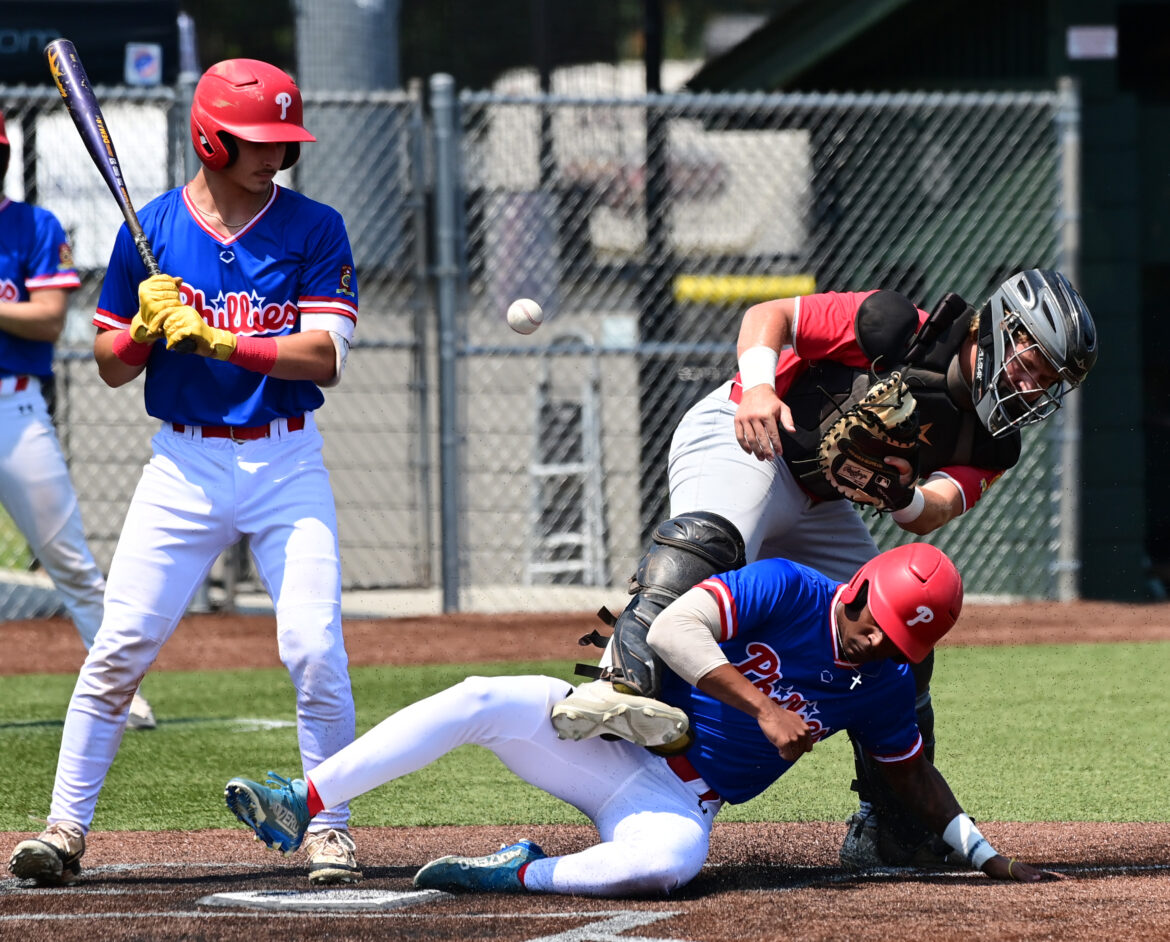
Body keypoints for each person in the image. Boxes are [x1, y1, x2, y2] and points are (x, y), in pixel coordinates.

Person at [550, 270, 1098, 869]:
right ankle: (616, 681)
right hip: (747, 436)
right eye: (1033, 361)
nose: (1033, 384)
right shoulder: (897, 326)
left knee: (899, 633)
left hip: (822, 498)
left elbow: (932, 510)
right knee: (711, 540)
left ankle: (891, 823)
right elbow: (771, 315)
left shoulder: (994, 441)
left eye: (1050, 380)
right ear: (1002, 326)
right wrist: (760, 387)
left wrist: (900, 497)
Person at [221, 543, 1053, 896]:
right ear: (864, 585)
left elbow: (907, 768)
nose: (878, 645)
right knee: (482, 696)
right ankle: (307, 797)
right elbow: (673, 626)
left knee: (669, 867)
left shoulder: (883, 678)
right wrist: (761, 707)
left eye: (901, 641)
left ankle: (517, 873)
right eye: (878, 624)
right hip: (610, 738)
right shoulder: (792, 587)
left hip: (679, 801)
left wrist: (984, 852)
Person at [6, 59, 360, 888]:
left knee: (313, 647)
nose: (275, 156)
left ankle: (331, 825)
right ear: (210, 138)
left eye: (283, 142)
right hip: (185, 466)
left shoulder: (315, 227)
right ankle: (64, 829)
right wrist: (143, 328)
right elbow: (108, 365)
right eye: (257, 142)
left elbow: (325, 355)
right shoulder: (152, 230)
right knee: (119, 648)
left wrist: (219, 338)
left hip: (286, 459)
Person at [0, 109, 154, 729]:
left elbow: (48, 318)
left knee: (68, 559)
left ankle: (119, 690)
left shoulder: (34, 225)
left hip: (14, 406)